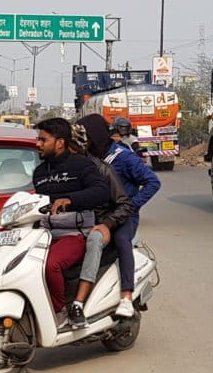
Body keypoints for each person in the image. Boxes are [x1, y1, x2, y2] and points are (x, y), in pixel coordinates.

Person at [31, 117, 113, 327]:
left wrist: (72, 200)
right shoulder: (39, 172)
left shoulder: (82, 165)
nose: (37, 144)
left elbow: (101, 192)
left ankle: (60, 312)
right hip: (44, 234)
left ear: (60, 142)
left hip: (75, 233)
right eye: (38, 139)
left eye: (43, 140)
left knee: (52, 266)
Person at [77, 113, 160, 318]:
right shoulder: (91, 159)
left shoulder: (124, 157)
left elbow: (153, 182)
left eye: (85, 137)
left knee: (122, 240)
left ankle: (126, 296)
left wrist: (133, 205)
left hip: (124, 215)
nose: (83, 142)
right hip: (99, 215)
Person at [67, 123, 134, 322]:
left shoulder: (103, 170)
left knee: (96, 240)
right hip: (70, 225)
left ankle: (79, 302)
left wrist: (107, 223)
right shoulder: (58, 171)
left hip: (103, 225)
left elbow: (124, 203)